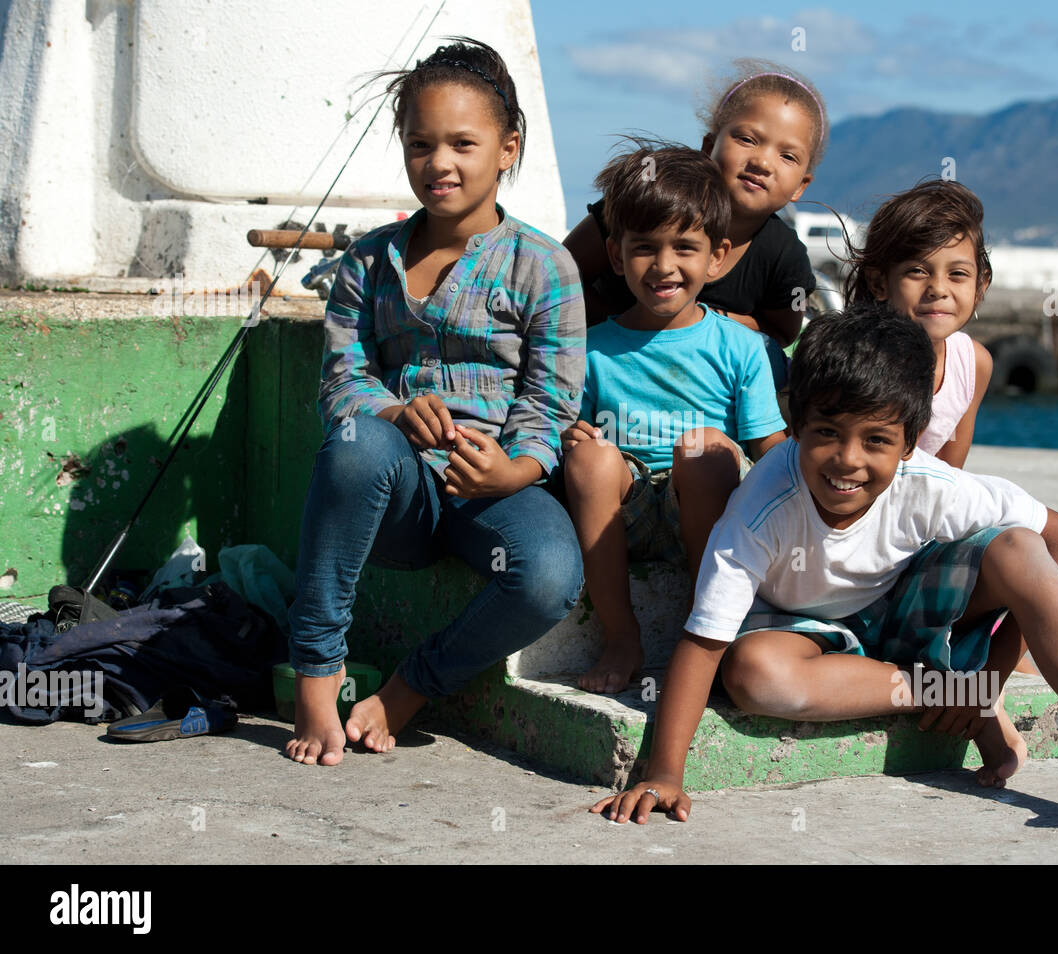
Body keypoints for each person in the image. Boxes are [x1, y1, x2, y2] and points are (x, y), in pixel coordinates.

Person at [592, 303, 1058, 829]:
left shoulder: (931, 485)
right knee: (752, 673)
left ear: (910, 442)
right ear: (795, 425)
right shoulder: (762, 508)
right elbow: (702, 645)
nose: (847, 460)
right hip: (800, 629)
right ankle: (936, 691)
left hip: (907, 610)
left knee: (1020, 546)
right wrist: (665, 772)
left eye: (876, 441)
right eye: (826, 432)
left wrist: (989, 677)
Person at [284, 38, 586, 766]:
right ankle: (316, 674)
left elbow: (551, 402)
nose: (439, 163)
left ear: (507, 148)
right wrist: (390, 413)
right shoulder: (368, 261)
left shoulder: (544, 266)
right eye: (421, 144)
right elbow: (342, 379)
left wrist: (513, 471)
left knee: (549, 579)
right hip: (398, 496)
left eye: (463, 143)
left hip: (494, 493)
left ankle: (412, 686)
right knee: (355, 443)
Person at [562, 145, 788, 694]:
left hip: (712, 505)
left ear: (717, 257)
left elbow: (770, 448)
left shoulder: (742, 345)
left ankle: (702, 630)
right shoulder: (591, 349)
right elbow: (564, 435)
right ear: (615, 256)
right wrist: (570, 437)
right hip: (626, 509)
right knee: (587, 455)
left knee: (702, 447)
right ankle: (621, 635)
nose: (664, 267)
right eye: (645, 249)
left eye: (685, 247)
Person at [847, 179, 1058, 676]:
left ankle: (989, 675)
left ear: (980, 287)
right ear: (878, 281)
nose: (939, 288)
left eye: (957, 274)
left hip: (922, 529)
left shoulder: (972, 362)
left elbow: (949, 479)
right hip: (861, 541)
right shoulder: (860, 362)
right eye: (917, 271)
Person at [565, 60, 827, 387]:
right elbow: (561, 273)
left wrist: (710, 324)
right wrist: (619, 327)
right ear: (708, 147)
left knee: (770, 357)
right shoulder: (644, 205)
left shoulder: (784, 254)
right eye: (747, 139)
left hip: (703, 378)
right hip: (608, 361)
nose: (762, 162)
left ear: (802, 185)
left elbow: (781, 333)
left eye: (787, 156)